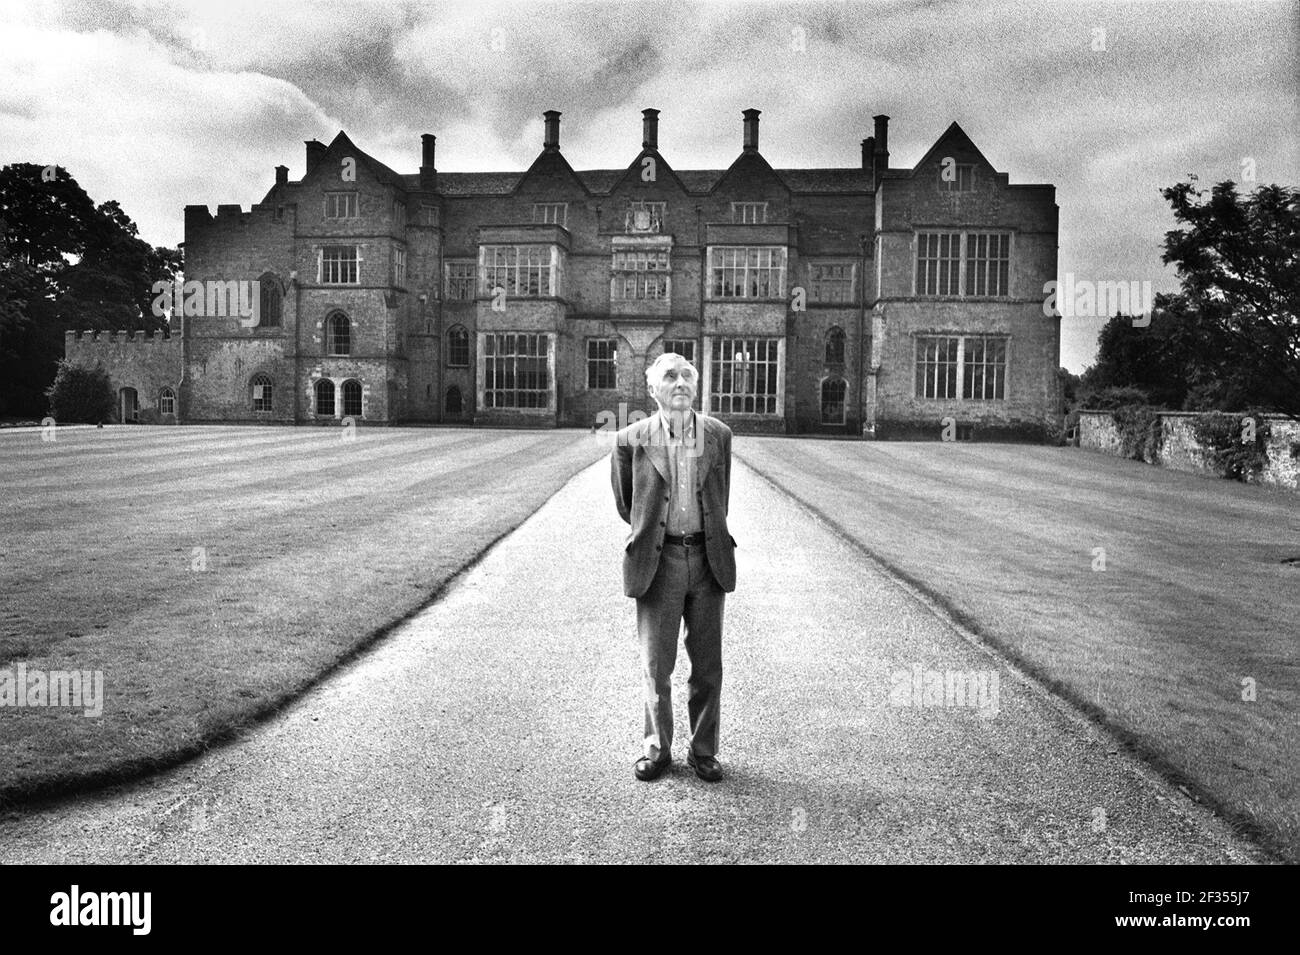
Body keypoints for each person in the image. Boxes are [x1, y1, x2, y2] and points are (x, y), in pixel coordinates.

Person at [610, 352, 737, 782]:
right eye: (670, 376)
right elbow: (628, 505)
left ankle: (704, 751)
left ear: (695, 386)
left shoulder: (718, 435)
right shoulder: (631, 439)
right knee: (656, 665)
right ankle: (657, 749)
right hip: (659, 562)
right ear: (652, 389)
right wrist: (655, 533)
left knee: (707, 665)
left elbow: (722, 497)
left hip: (706, 559)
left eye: (687, 375)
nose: (680, 382)